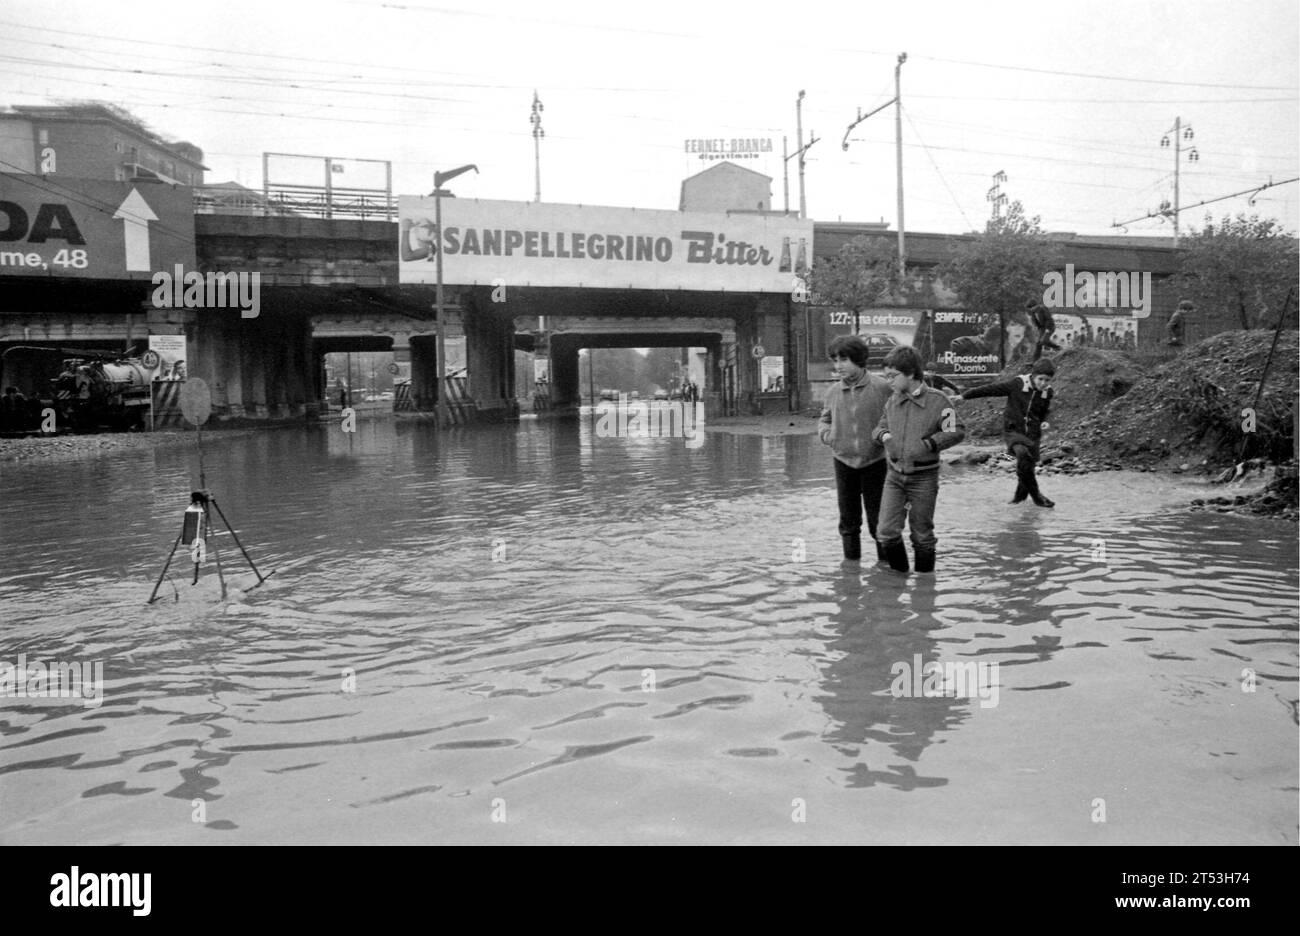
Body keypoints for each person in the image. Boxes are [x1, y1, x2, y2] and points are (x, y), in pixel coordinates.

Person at [872, 345, 966, 574]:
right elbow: (879, 428)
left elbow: (956, 430)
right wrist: (884, 436)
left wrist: (928, 445)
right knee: (885, 531)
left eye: (893, 376)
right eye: (886, 377)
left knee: (922, 535)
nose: (889, 382)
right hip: (894, 476)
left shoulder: (939, 400)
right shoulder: (892, 400)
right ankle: (900, 579)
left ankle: (924, 589)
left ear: (911, 373)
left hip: (924, 478)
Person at [819, 336, 892, 561]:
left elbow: (896, 416)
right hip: (843, 461)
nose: (838, 365)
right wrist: (827, 435)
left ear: (859, 360)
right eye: (835, 360)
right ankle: (851, 570)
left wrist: (887, 439)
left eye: (844, 360)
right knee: (848, 521)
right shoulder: (832, 392)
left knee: (879, 520)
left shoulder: (882, 387)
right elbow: (825, 419)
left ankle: (887, 570)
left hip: (875, 461)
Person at [951, 357, 1057, 508]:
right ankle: (1037, 497)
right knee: (1022, 454)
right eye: (1040, 379)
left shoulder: (1048, 392)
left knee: (1027, 466)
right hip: (1014, 430)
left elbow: (1045, 411)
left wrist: (1045, 420)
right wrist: (964, 396)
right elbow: (991, 389)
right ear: (1033, 376)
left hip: (1033, 434)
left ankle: (1018, 500)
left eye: (1047, 380)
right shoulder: (1017, 384)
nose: (1043, 383)